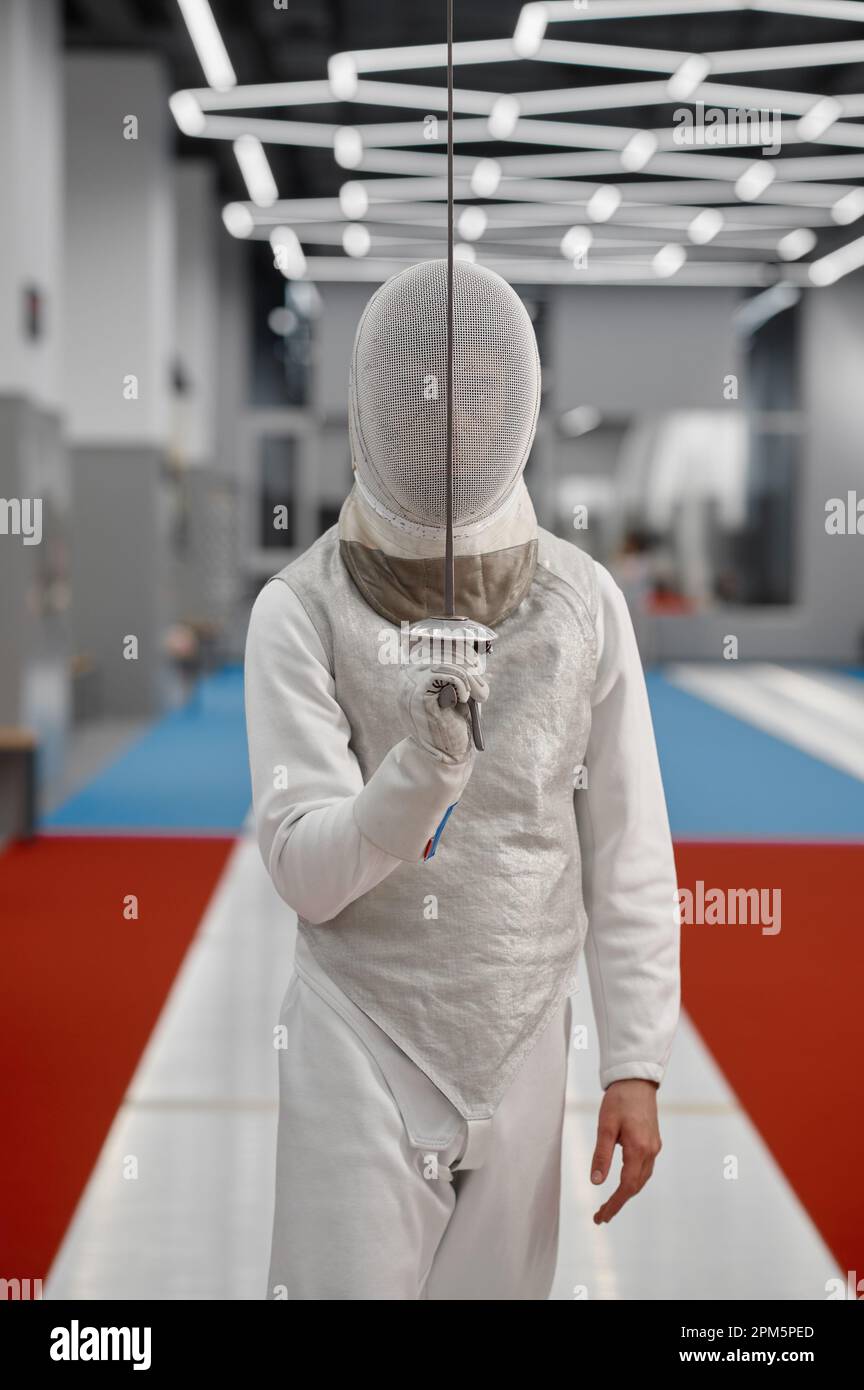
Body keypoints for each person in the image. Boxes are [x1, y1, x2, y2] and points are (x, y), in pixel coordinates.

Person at [244, 258, 680, 1301]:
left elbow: (627, 849)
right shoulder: (298, 608)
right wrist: (423, 772)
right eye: (428, 385)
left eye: (481, 382)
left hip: (527, 1030)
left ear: (516, 398)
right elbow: (306, 870)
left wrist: (637, 1059)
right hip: (363, 1034)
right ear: (382, 400)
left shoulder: (585, 603)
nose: (455, 408)